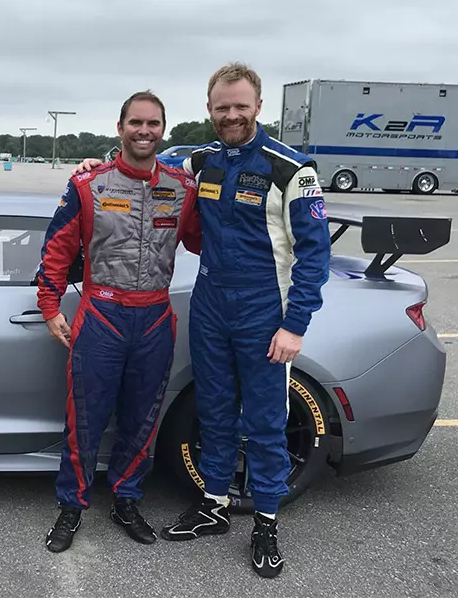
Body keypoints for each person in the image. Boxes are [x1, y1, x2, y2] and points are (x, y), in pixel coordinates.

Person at [71, 63, 332, 578]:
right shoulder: (199, 160)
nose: (231, 115)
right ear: (209, 110)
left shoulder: (292, 168)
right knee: (213, 410)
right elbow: (138, 160)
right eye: (221, 107)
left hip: (264, 310)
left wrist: (295, 324)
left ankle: (265, 523)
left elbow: (314, 256)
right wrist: (93, 164)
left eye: (240, 106)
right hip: (212, 304)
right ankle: (213, 505)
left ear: (258, 107)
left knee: (263, 421)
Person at [37, 90, 202, 553]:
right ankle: (71, 506)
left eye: (153, 124)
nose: (144, 131)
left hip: (153, 316)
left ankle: (127, 499)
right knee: (84, 420)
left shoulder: (182, 188)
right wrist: (50, 306)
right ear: (120, 127)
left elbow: (204, 240)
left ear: (162, 130)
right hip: (101, 315)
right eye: (136, 123)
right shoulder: (90, 184)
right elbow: (57, 249)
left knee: (142, 419)